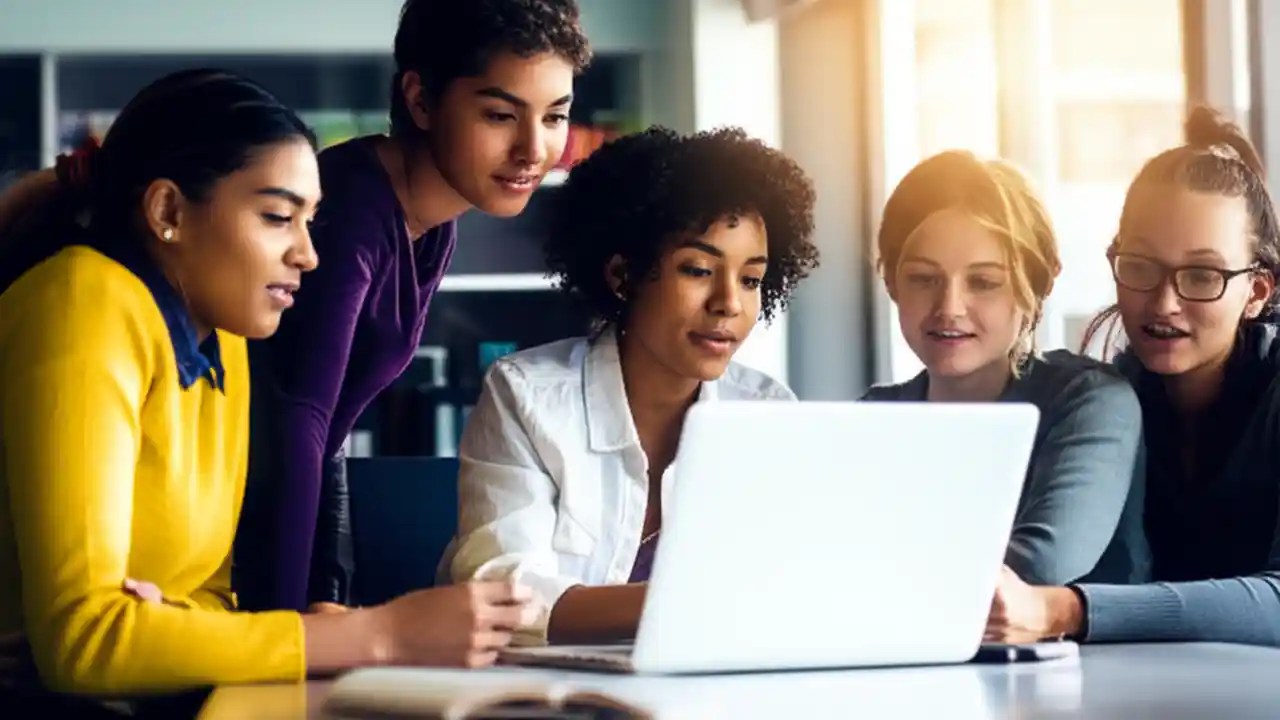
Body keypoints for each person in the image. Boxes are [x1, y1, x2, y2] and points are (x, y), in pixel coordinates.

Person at [0, 70, 528, 708]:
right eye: (278, 217)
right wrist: (377, 634)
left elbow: (203, 599)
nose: (307, 253)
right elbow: (86, 644)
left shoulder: (224, 339)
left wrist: (163, 632)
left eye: (310, 220)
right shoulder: (84, 302)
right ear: (168, 211)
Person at [233, 0, 593, 615]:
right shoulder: (348, 210)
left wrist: (327, 594)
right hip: (222, 535)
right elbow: (298, 422)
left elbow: (331, 438)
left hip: (278, 523)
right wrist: (290, 624)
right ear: (421, 100)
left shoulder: (434, 223)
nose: (535, 149)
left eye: (555, 116)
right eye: (501, 114)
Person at [440, 126, 820, 644]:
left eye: (751, 279)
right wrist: (694, 600)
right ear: (623, 276)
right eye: (698, 269)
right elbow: (504, 595)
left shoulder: (765, 411)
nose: (729, 302)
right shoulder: (528, 396)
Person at [985, 108, 1280, 646]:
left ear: (1257, 292)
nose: (1163, 303)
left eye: (1202, 275)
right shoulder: (1102, 403)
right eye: (1141, 265)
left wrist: (1067, 611)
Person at [863, 151, 1148, 586]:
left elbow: (1041, 565)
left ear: (1038, 286)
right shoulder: (873, 417)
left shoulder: (1089, 402)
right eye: (923, 278)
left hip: (1093, 655)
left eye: (983, 283)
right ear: (891, 283)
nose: (949, 308)